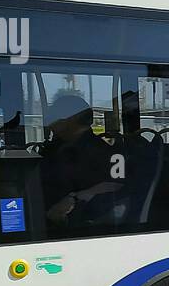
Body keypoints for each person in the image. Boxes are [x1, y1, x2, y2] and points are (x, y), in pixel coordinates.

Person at [41, 91, 121, 228]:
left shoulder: (105, 153)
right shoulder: (54, 148)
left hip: (75, 226)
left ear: (72, 118)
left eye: (55, 116)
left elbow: (117, 187)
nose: (49, 123)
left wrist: (76, 197)